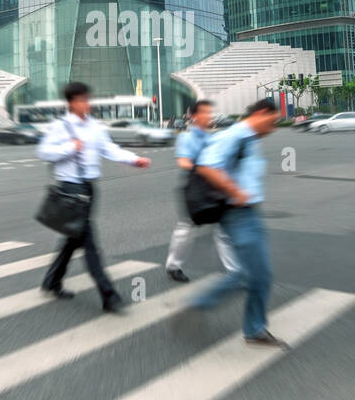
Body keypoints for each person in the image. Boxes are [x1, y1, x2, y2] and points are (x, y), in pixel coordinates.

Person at [36, 82, 151, 312]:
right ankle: (108, 295)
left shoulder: (95, 127)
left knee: (73, 237)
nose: (86, 103)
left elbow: (109, 149)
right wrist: (70, 147)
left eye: (87, 99)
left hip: (89, 189)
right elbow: (43, 152)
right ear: (70, 103)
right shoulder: (60, 126)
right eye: (80, 100)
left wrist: (133, 159)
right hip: (70, 189)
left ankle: (51, 281)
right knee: (89, 243)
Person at [187, 98, 288, 348]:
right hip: (238, 214)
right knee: (254, 274)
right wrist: (236, 192)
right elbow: (207, 167)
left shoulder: (248, 138)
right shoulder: (236, 135)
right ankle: (208, 307)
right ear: (262, 113)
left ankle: (250, 326)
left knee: (255, 273)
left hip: (247, 214)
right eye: (273, 121)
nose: (273, 128)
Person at [165, 99, 238, 282]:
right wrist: (204, 169)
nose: (209, 116)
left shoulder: (214, 137)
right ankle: (173, 266)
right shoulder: (186, 137)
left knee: (223, 230)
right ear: (194, 116)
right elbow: (183, 162)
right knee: (186, 229)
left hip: (215, 187)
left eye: (210, 112)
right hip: (196, 188)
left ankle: (235, 272)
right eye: (204, 112)